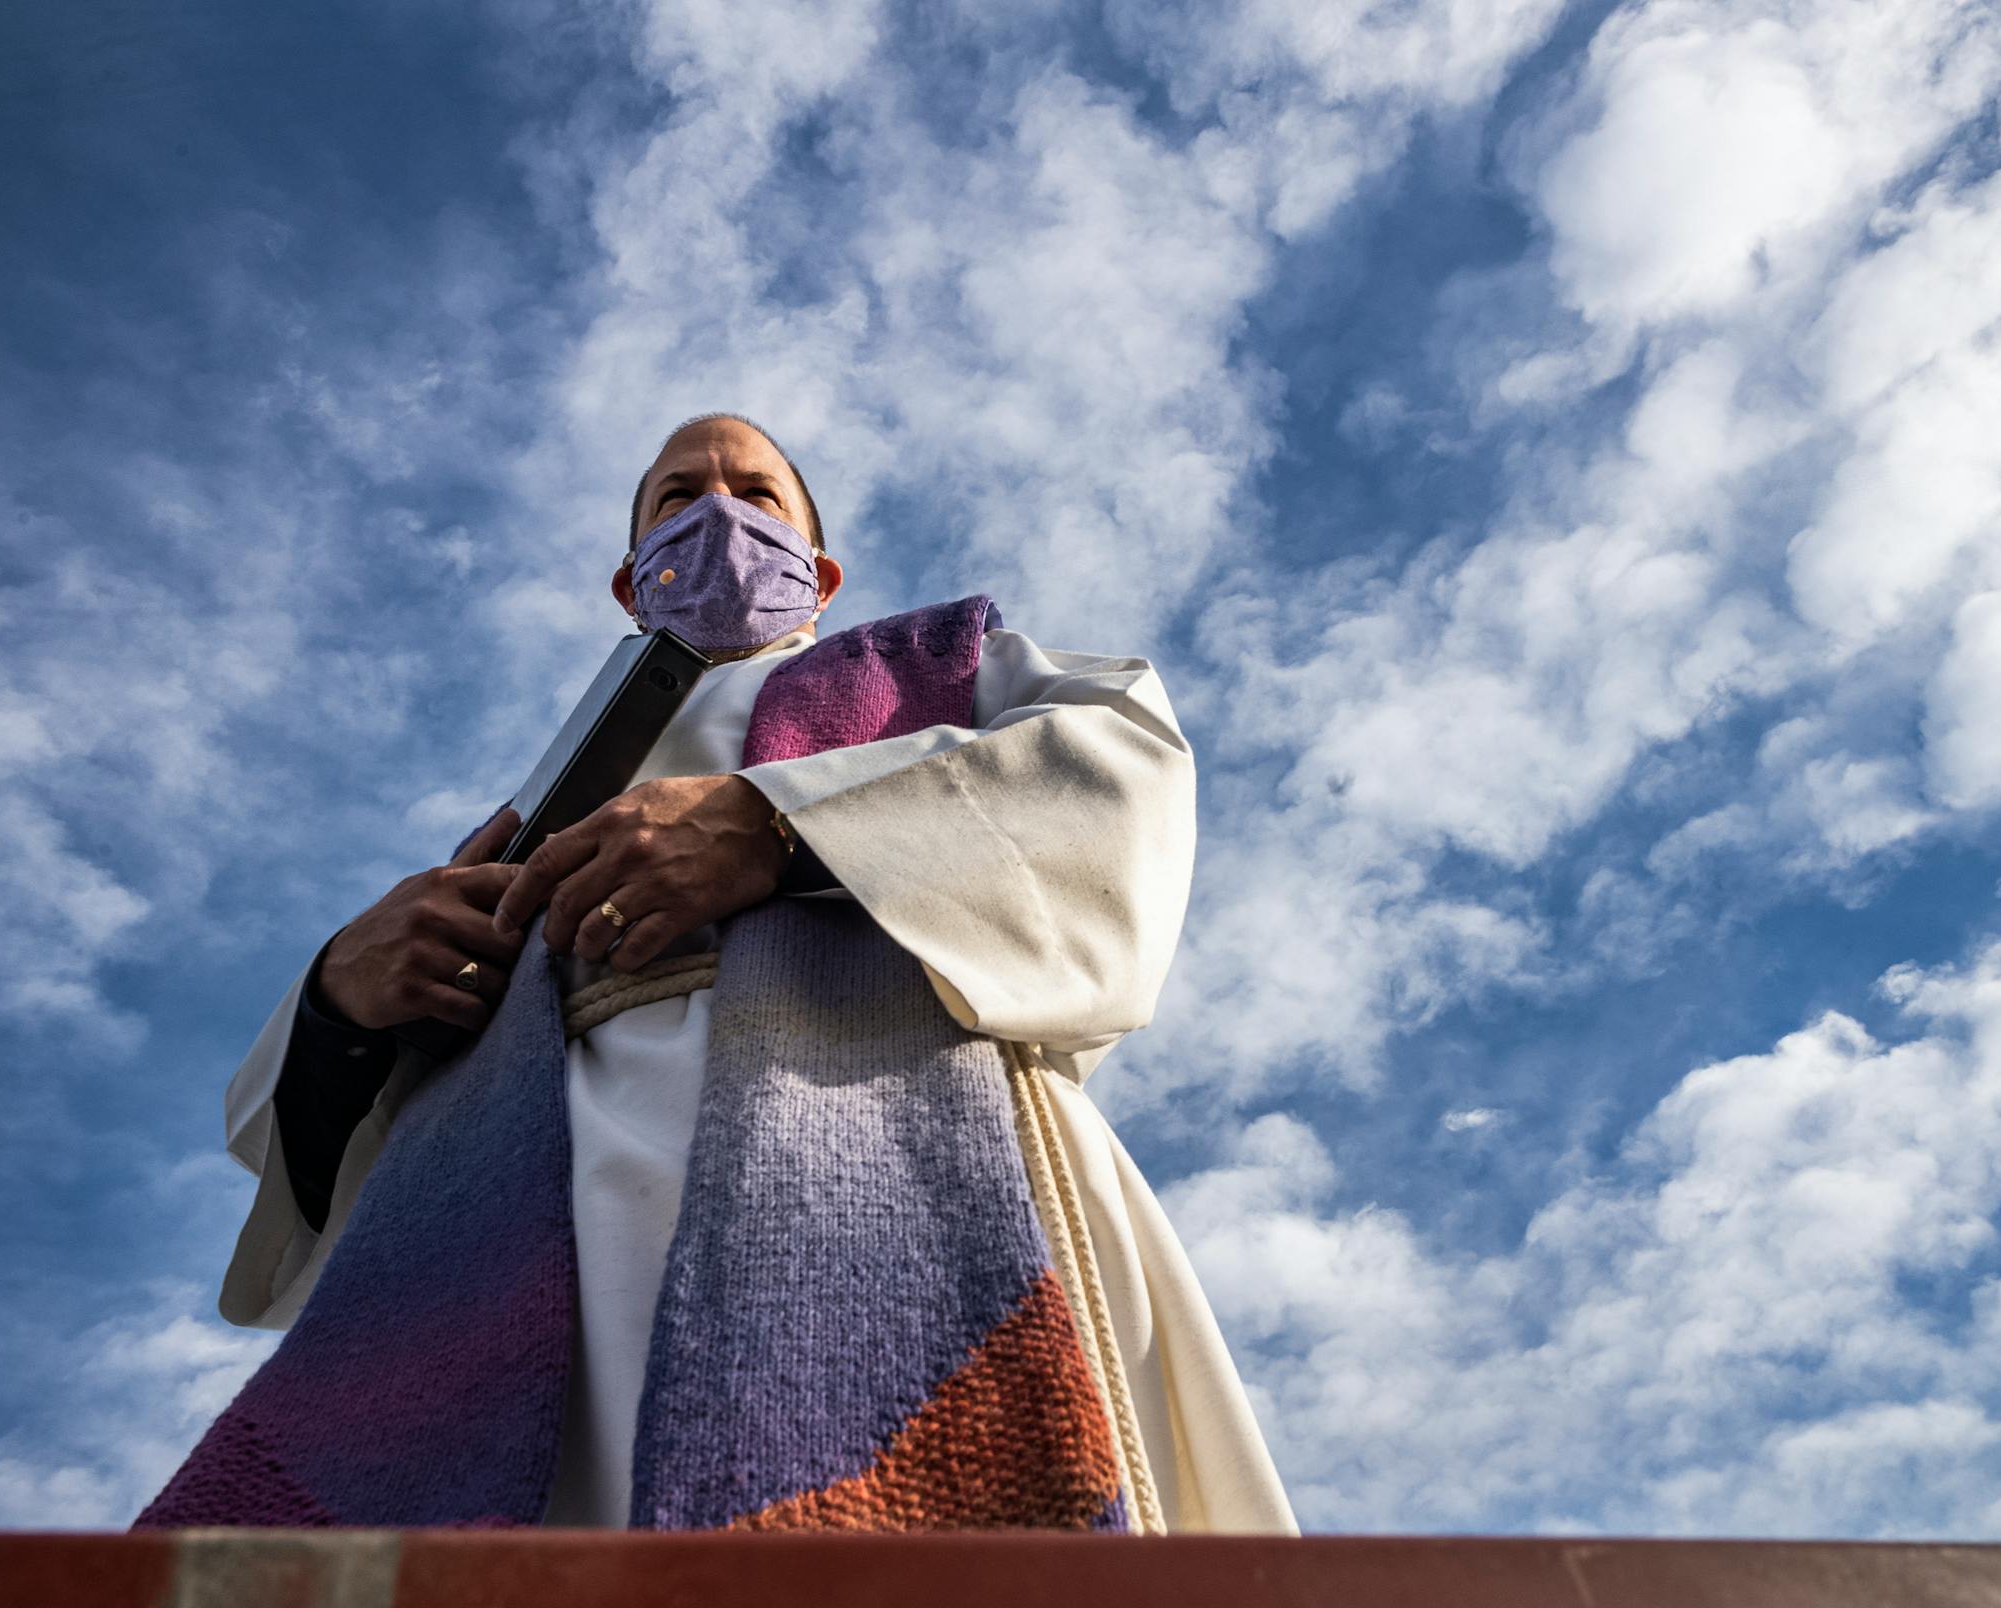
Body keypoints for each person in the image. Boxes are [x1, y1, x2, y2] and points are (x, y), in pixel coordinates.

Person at [154, 414, 1296, 1534]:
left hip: (903, 1138)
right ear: (629, 580)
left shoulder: (936, 671)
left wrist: (779, 824)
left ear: (820, 566)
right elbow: (301, 1151)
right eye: (677, 496)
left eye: (756, 495)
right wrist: (341, 999)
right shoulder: (528, 814)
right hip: (535, 1238)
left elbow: (1121, 764)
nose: (717, 515)